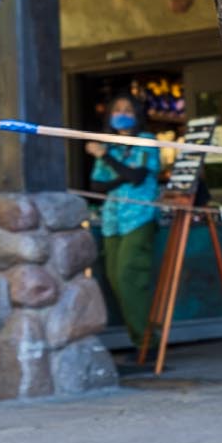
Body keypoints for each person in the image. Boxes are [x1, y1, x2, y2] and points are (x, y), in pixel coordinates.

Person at [84, 95, 169, 358]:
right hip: (112, 221)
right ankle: (139, 340)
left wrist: (106, 157)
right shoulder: (110, 144)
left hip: (139, 217)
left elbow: (138, 176)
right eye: (117, 109)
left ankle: (147, 343)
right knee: (114, 278)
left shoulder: (146, 141)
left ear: (137, 115)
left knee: (129, 275)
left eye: (128, 110)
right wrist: (122, 172)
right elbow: (97, 185)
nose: (122, 114)